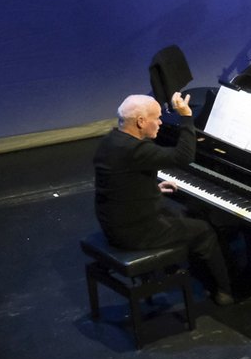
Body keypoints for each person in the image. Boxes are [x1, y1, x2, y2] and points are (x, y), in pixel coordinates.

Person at [93, 92, 234, 305]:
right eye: (157, 118)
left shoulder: (111, 141)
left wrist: (151, 188)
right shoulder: (137, 149)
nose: (160, 122)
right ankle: (225, 291)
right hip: (133, 233)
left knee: (181, 214)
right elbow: (184, 156)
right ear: (141, 122)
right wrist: (186, 117)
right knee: (204, 231)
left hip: (113, 223)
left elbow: (119, 183)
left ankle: (197, 272)